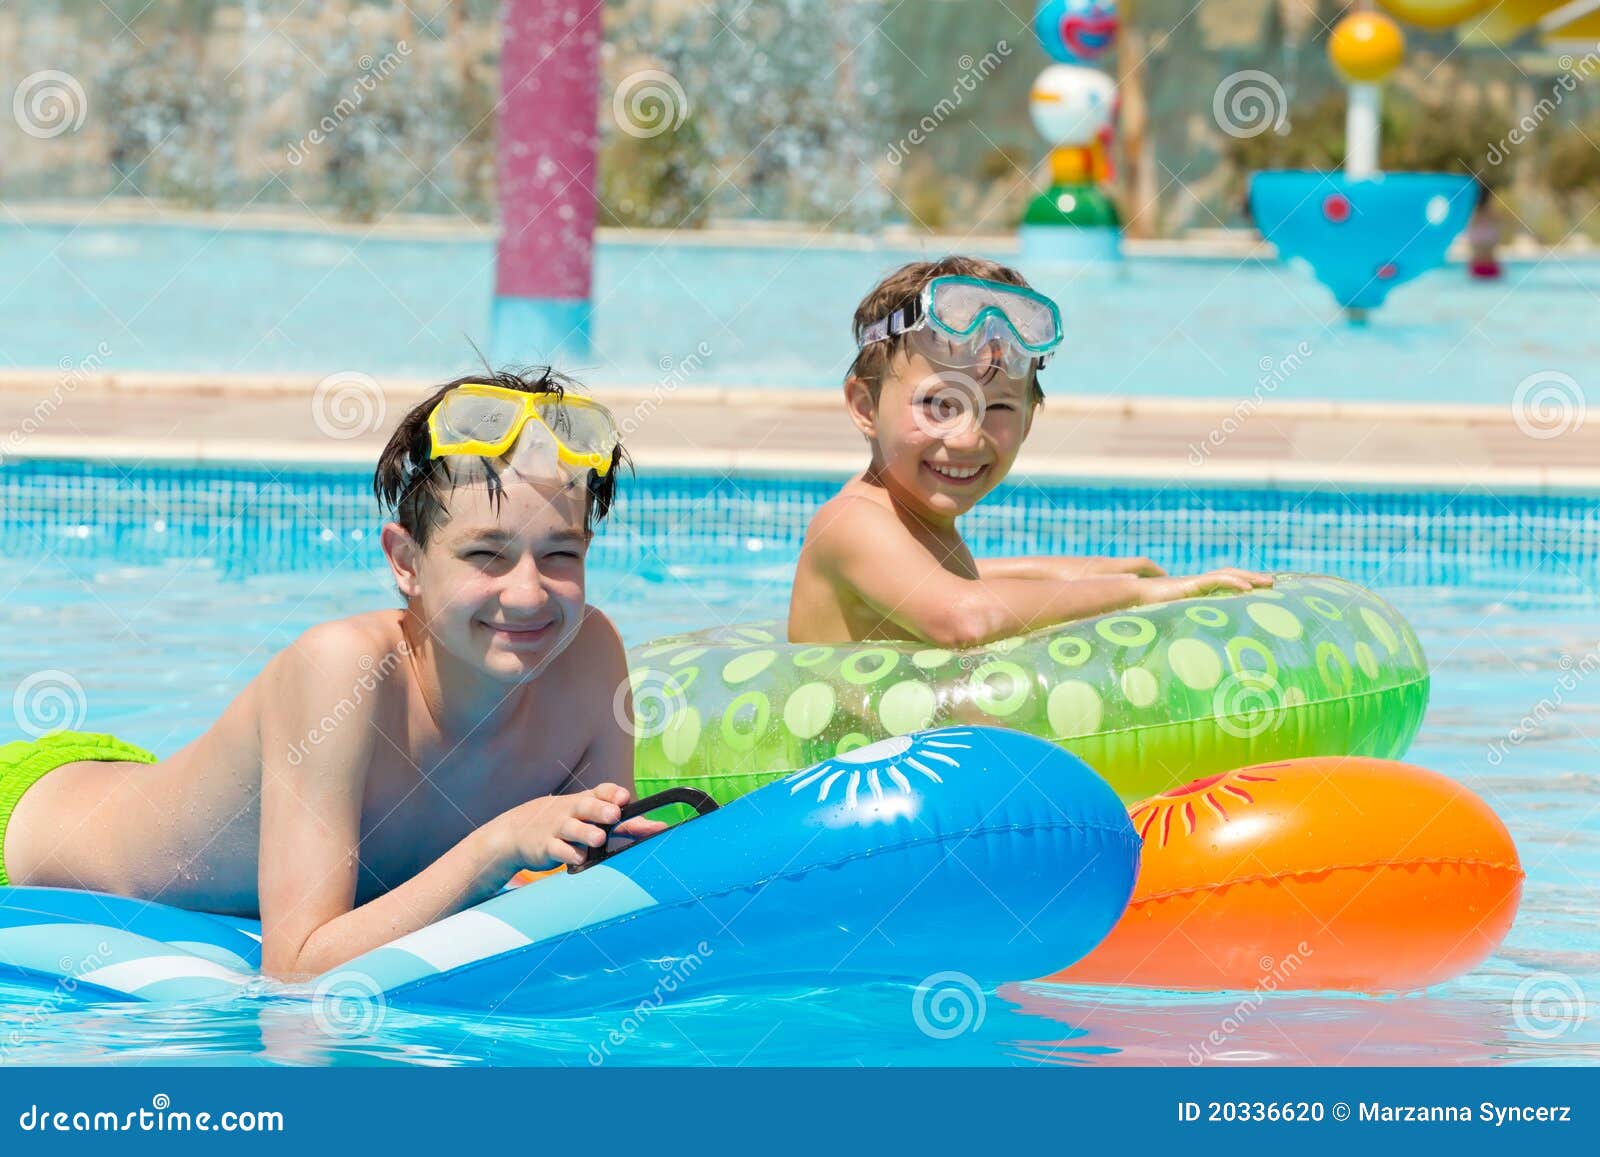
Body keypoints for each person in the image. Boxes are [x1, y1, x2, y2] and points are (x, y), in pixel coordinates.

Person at [0, 369, 662, 980]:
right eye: (486, 553)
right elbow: (294, 969)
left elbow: (602, 898)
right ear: (405, 561)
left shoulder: (592, 653)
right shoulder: (342, 672)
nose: (528, 593)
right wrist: (499, 845)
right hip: (24, 823)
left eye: (559, 553)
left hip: (137, 789)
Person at [787, 257, 1273, 645]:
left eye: (998, 407)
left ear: (1029, 422)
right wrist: (1138, 593)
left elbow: (967, 577)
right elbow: (965, 618)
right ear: (864, 406)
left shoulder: (911, 523)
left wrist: (1090, 572)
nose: (967, 437)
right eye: (939, 403)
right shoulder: (852, 522)